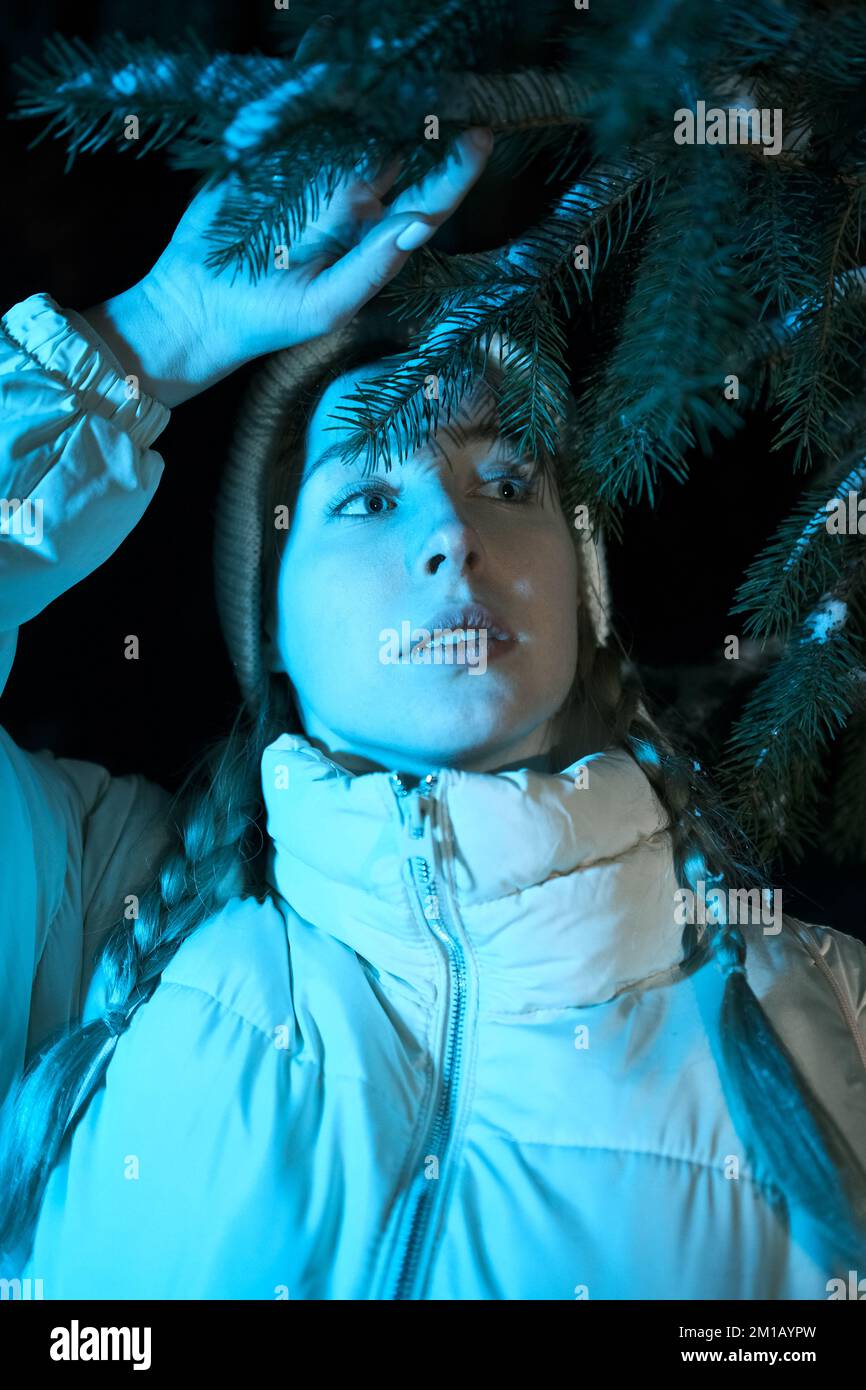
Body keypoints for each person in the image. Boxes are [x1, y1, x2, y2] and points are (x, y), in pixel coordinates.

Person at [0, 122, 864, 1302]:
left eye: (505, 482)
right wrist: (163, 333)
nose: (451, 537)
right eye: (364, 494)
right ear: (275, 628)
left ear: (584, 601)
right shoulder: (91, 924)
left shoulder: (832, 1025)